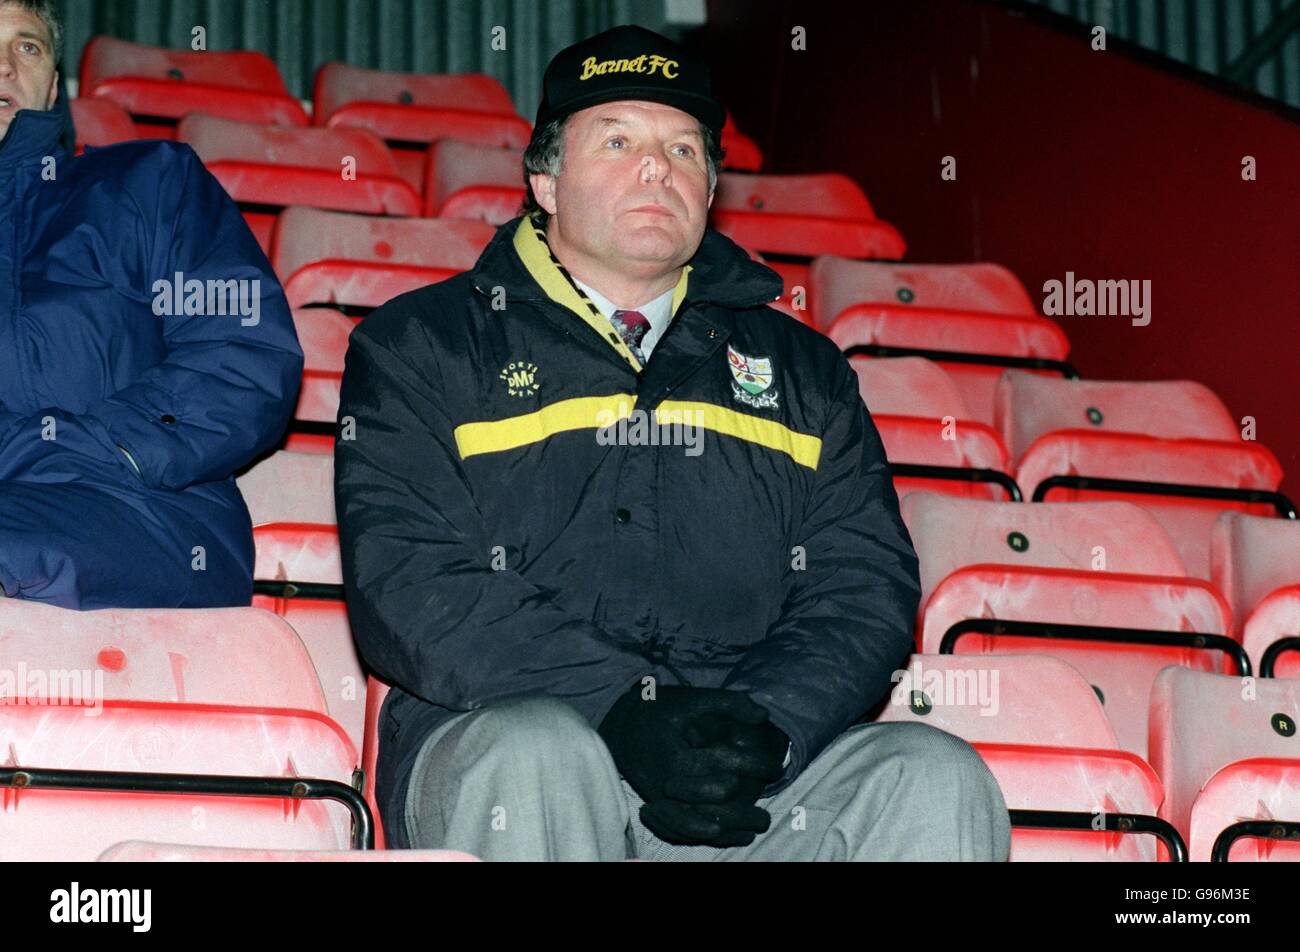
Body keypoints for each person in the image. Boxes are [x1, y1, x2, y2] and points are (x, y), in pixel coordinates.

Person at [336, 24, 1010, 861]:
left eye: (684, 149)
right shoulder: (423, 345)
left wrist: (764, 733)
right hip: (510, 736)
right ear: (544, 180)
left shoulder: (804, 371)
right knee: (539, 749)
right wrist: (620, 706)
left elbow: (862, 585)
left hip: (738, 763)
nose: (656, 167)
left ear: (711, 187)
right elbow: (410, 580)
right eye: (617, 140)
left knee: (932, 774)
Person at [0, 0, 302, 609]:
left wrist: (89, 445)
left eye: (26, 46)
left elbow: (243, 355)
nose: (4, 66)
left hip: (145, 508)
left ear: (54, 85)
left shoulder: (152, 182)